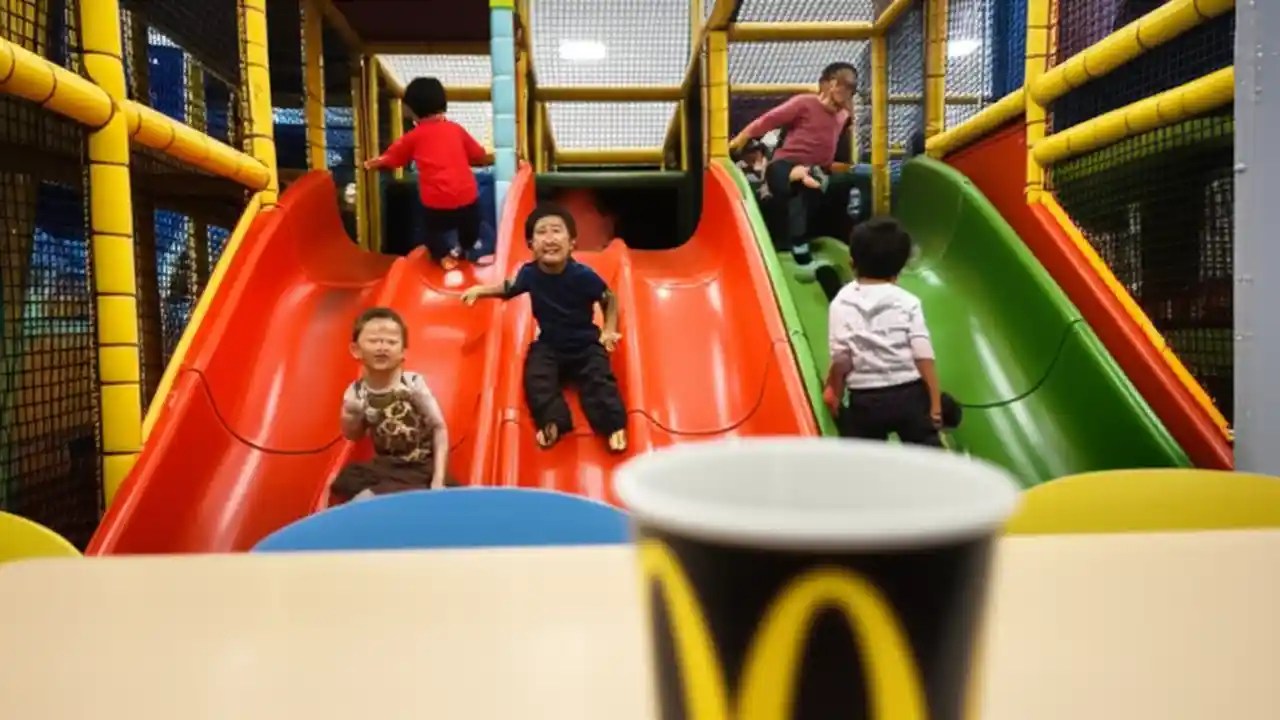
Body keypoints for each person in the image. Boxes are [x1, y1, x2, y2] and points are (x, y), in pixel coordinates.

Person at [461, 203, 628, 453]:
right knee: (537, 379)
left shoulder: (583, 276)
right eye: (541, 232)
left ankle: (613, 425)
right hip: (549, 344)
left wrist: (608, 329)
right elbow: (509, 289)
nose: (549, 238)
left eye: (556, 231)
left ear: (572, 242)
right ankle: (553, 421)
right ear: (531, 245)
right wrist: (481, 290)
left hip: (585, 343)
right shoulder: (529, 274)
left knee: (599, 379)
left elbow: (609, 298)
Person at [824, 217, 944, 447]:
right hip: (910, 396)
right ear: (899, 269)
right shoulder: (908, 302)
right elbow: (923, 356)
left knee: (862, 452)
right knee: (928, 449)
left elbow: (841, 358)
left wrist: (834, 390)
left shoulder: (841, 303)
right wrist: (935, 404)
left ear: (851, 263)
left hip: (867, 400)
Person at [729, 62, 858, 276]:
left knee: (851, 179)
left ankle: (852, 240)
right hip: (783, 166)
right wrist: (739, 141)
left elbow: (837, 137)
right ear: (827, 84)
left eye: (850, 89)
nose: (844, 93)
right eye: (840, 85)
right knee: (792, 177)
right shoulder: (804, 103)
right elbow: (766, 122)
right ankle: (800, 177)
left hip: (818, 171)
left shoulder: (843, 115)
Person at [363, 77, 488, 271]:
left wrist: (377, 162)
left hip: (436, 201)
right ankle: (465, 248)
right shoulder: (455, 130)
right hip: (466, 197)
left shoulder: (413, 137)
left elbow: (396, 157)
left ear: (411, 108)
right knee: (471, 227)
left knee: (433, 231)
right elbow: (477, 154)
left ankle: (442, 256)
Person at [332, 307, 454, 502]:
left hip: (419, 465)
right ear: (355, 350)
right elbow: (353, 435)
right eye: (373, 341)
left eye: (391, 342)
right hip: (386, 465)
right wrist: (350, 416)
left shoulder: (413, 384)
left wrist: (438, 479)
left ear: (403, 352)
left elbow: (439, 428)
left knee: (363, 500)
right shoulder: (356, 392)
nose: (382, 347)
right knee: (342, 482)